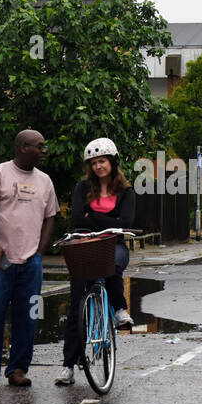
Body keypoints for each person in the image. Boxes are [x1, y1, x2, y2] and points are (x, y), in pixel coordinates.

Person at [0, 129, 58, 388]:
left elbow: (50, 217)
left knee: (28, 318)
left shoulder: (45, 181)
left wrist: (39, 253)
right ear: (22, 147)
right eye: (39, 146)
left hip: (30, 265)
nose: (44, 151)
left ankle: (18, 370)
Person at [56, 138, 135, 386]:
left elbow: (126, 223)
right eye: (94, 162)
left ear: (112, 162)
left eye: (102, 161)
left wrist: (95, 218)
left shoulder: (126, 192)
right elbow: (78, 219)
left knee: (111, 265)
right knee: (76, 306)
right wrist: (109, 221)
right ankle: (68, 367)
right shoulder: (82, 188)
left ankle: (120, 310)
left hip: (114, 245)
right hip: (85, 245)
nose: (98, 166)